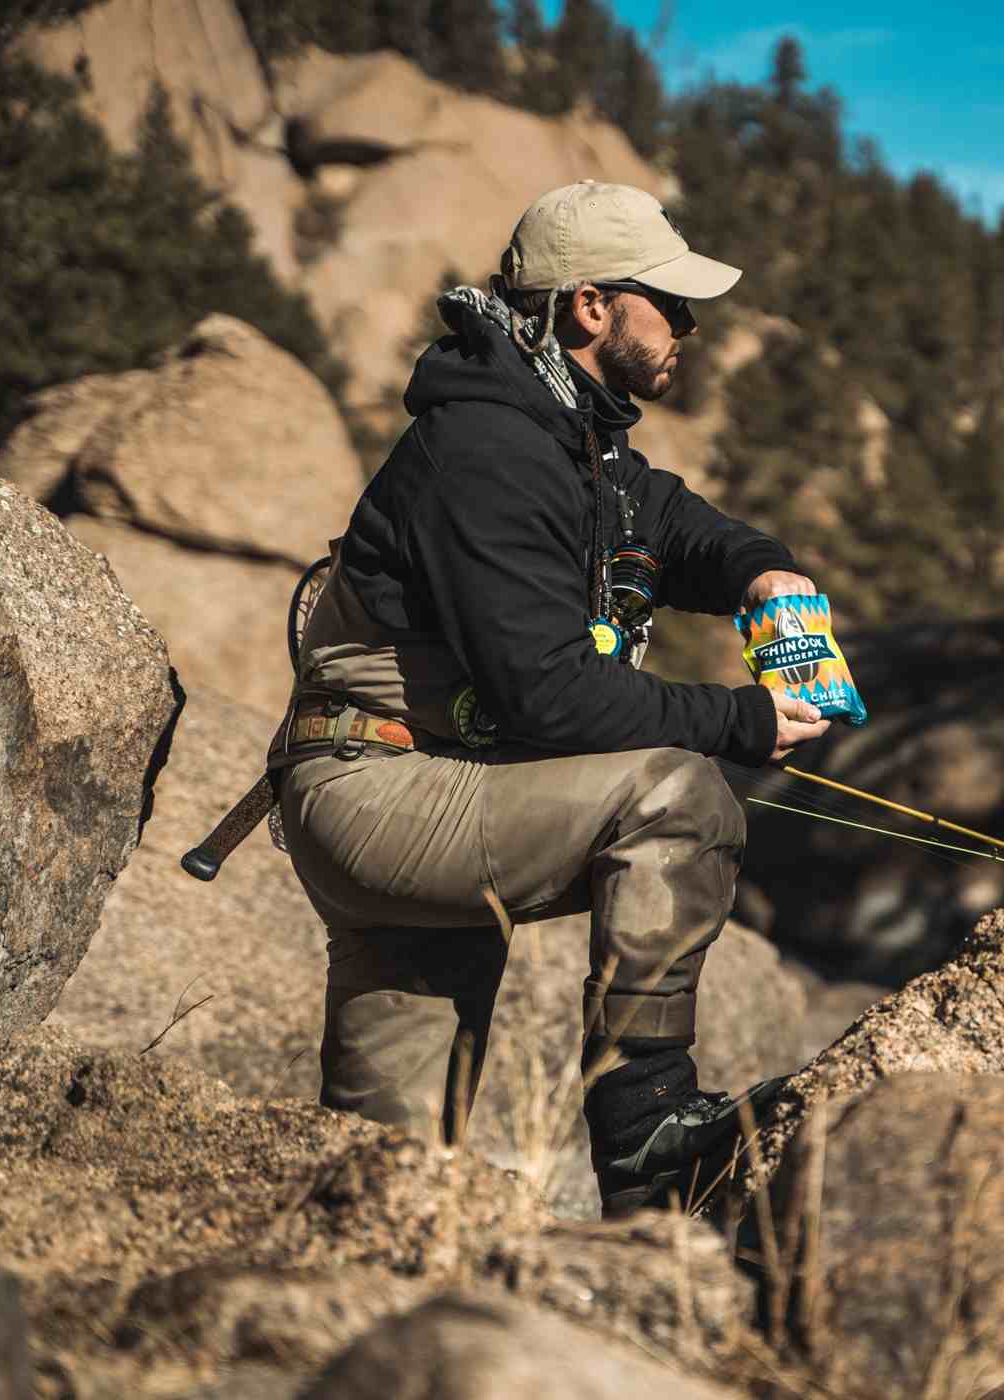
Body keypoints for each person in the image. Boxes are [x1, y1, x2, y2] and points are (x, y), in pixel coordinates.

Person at [268, 180, 829, 1217]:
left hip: (432, 781)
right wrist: (739, 722)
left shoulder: (574, 429)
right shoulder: (485, 451)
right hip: (380, 788)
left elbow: (659, 517)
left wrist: (759, 570)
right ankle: (647, 1133)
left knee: (384, 1181)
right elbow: (550, 697)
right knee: (682, 796)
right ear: (588, 307)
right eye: (671, 300)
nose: (691, 325)